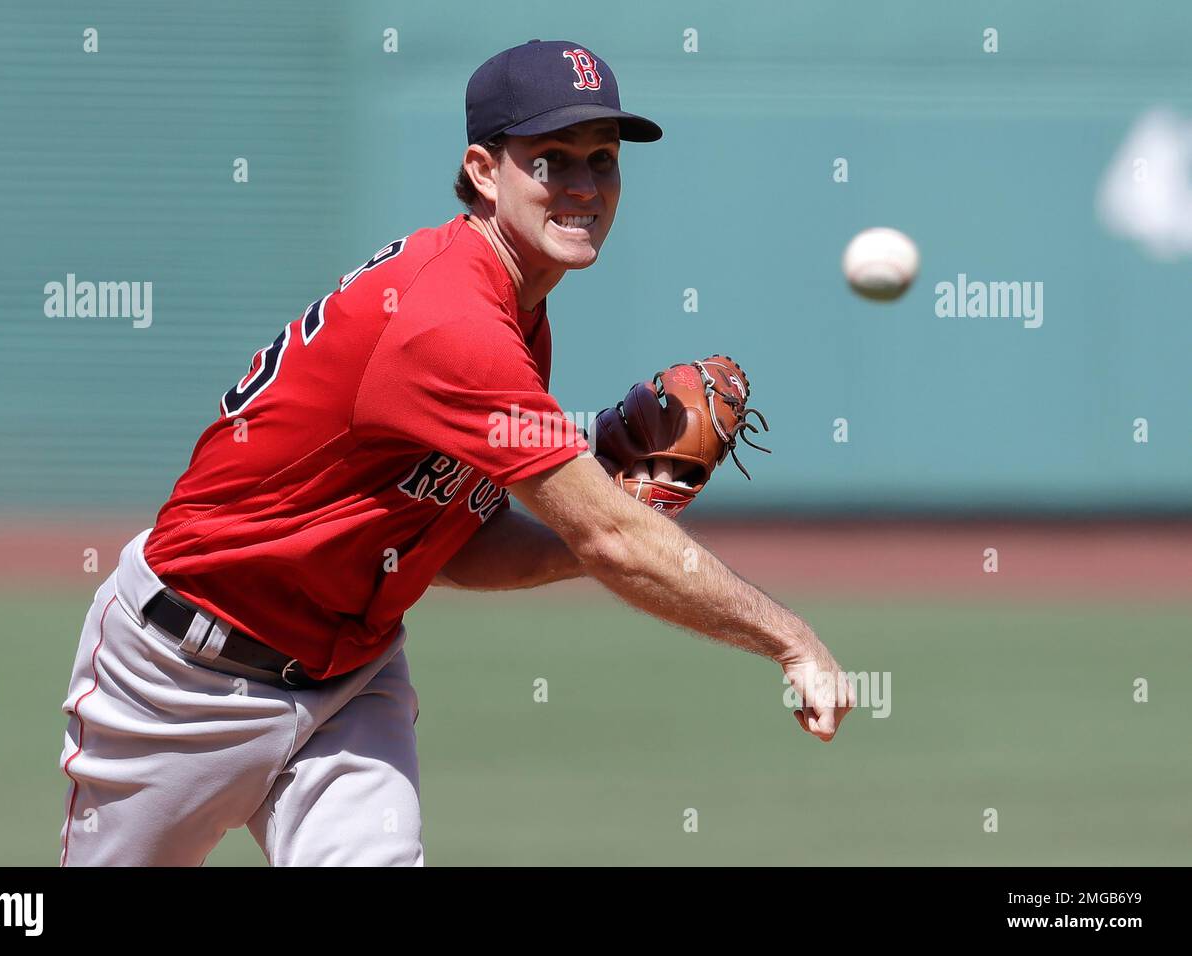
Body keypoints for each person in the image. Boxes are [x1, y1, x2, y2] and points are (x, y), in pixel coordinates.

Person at [58, 38, 852, 868]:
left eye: (602, 161)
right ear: (483, 169)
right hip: (181, 677)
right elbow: (609, 540)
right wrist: (786, 637)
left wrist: (615, 516)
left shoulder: (515, 312)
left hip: (351, 681)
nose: (583, 185)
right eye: (551, 159)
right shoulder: (454, 325)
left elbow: (455, 546)